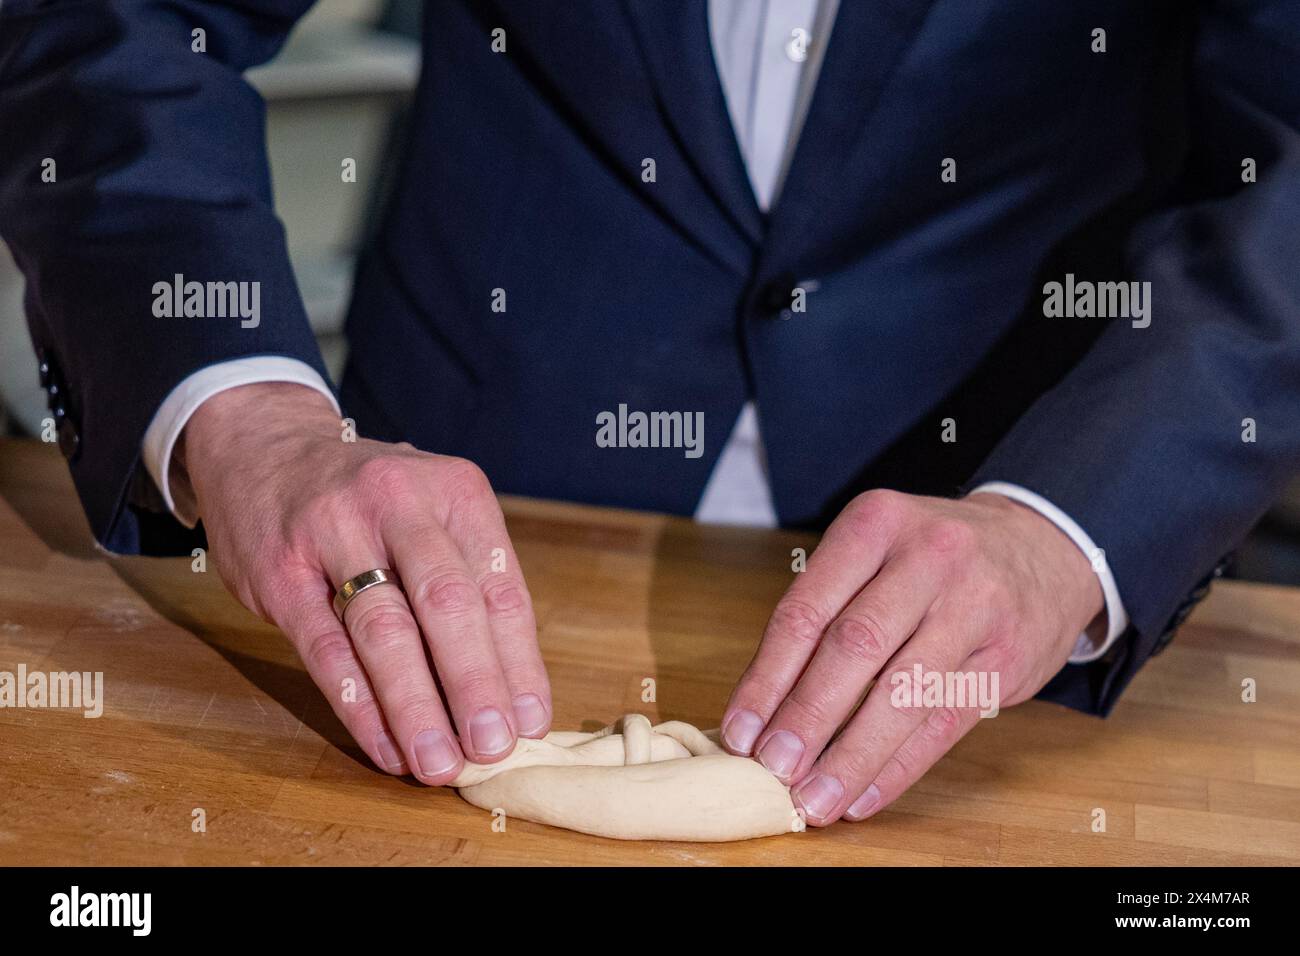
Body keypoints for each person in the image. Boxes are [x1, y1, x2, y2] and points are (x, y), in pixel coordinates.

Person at [2, 0, 1297, 828]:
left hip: (1006, 489)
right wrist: (250, 415)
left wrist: (1073, 525)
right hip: (471, 494)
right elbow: (115, 20)